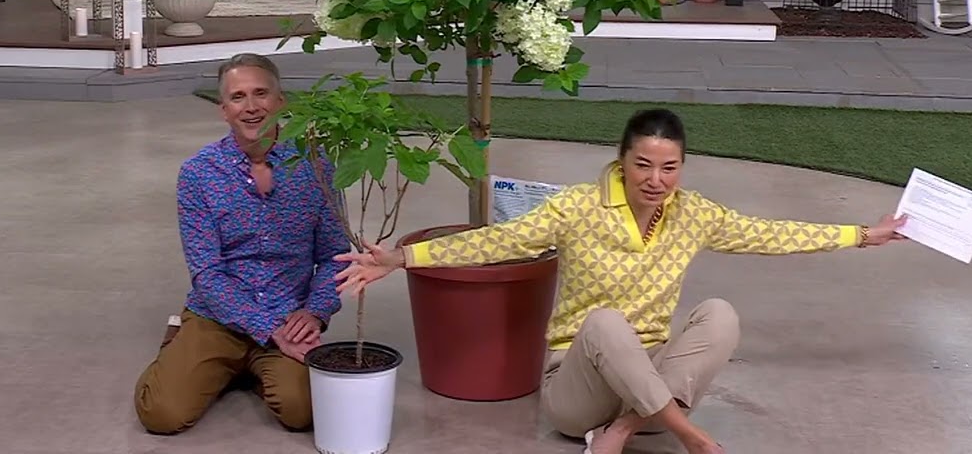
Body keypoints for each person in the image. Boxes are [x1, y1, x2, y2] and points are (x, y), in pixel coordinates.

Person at [333, 108, 906, 454]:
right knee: (606, 322)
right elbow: (498, 242)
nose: (656, 179)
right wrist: (403, 258)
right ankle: (692, 437)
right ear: (622, 161)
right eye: (643, 164)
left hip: (649, 386)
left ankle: (628, 429)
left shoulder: (694, 213)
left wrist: (863, 234)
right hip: (577, 392)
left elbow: (770, 233)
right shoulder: (577, 207)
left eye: (669, 167)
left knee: (720, 314)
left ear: (682, 167)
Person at [134, 53, 351, 435]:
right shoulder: (199, 173)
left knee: (303, 412)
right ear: (224, 110)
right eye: (237, 97)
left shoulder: (316, 166)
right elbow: (206, 272)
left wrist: (314, 312)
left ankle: (243, 369)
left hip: (288, 314)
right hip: (218, 316)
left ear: (280, 101)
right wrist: (267, 329)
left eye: (260, 93)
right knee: (161, 413)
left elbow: (336, 255)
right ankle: (188, 347)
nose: (251, 107)